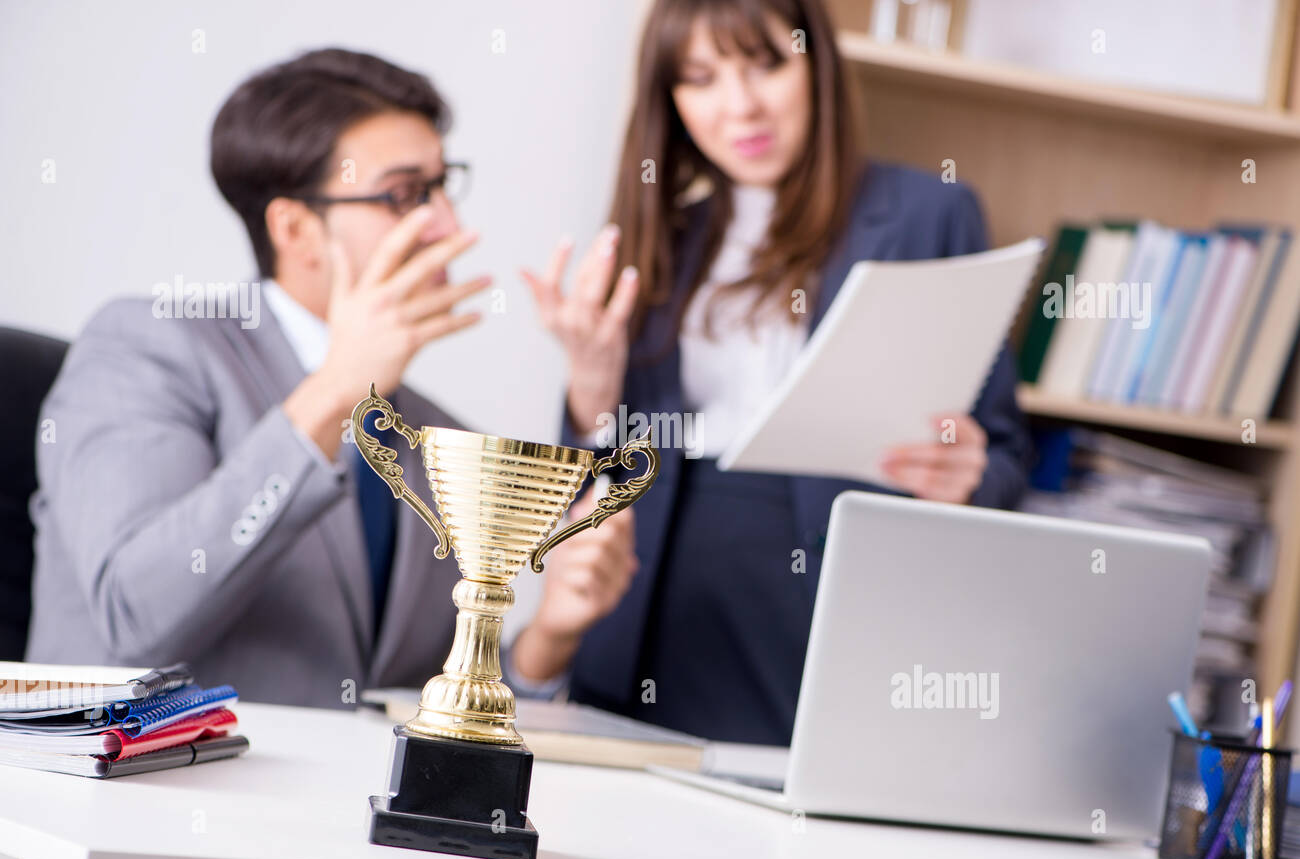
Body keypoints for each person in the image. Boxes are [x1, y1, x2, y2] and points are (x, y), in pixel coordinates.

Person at [26, 48, 635, 708]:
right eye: (404, 194)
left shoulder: (439, 437)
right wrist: (336, 388)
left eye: (442, 186)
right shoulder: (146, 347)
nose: (449, 226)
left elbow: (428, 714)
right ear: (296, 229)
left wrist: (548, 639)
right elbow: (132, 617)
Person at [512, 0, 1033, 745]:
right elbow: (597, 484)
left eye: (765, 64)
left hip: (827, 623)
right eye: (700, 78)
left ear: (816, 62)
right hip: (649, 623)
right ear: (670, 102)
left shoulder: (927, 214)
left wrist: (969, 474)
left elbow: (1008, 458)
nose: (740, 107)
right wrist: (592, 390)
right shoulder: (663, 237)